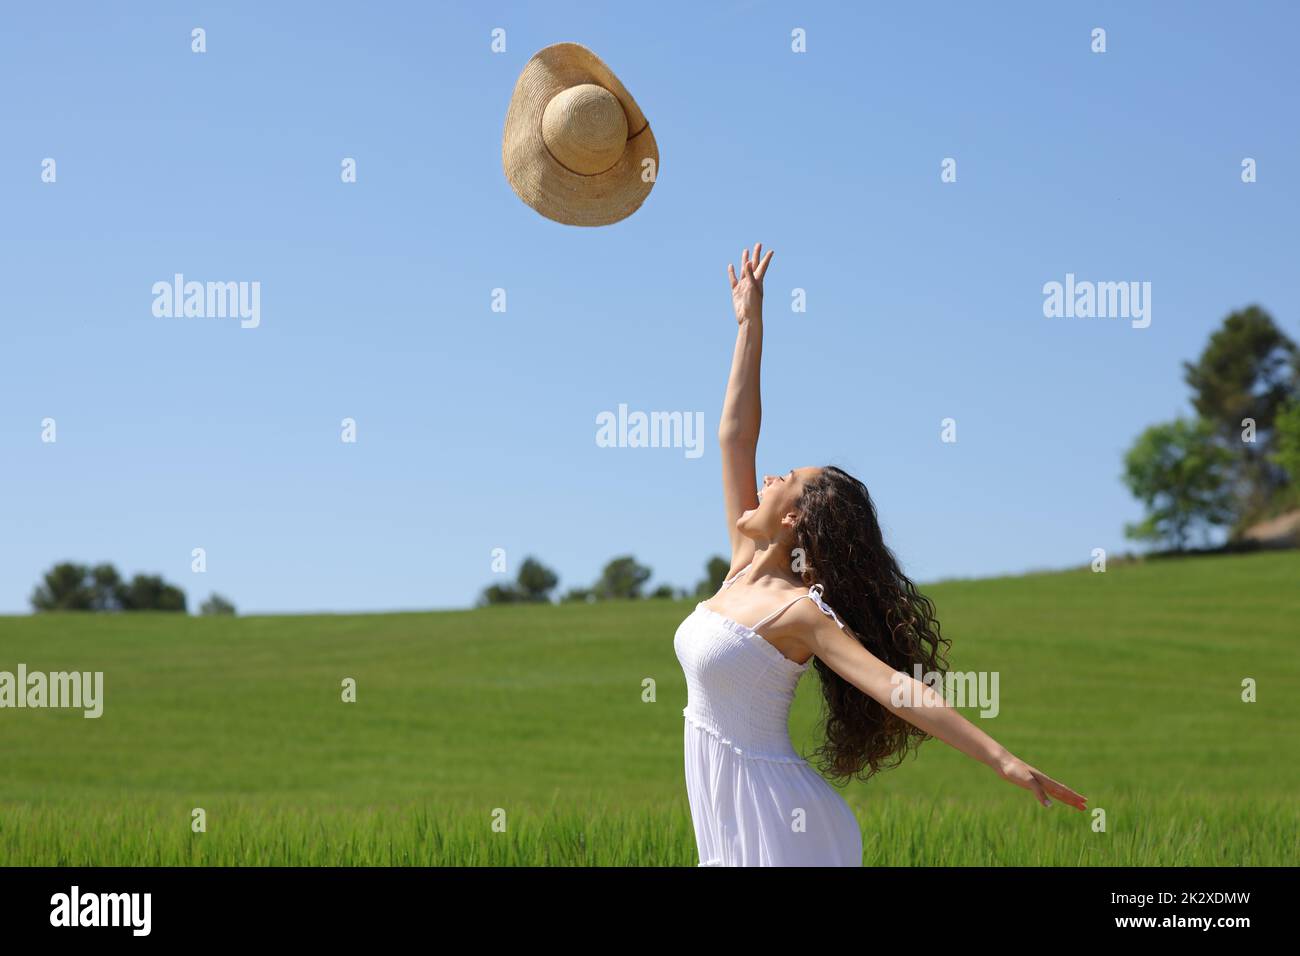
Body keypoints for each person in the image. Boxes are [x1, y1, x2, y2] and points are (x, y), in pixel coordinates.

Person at [673, 242, 1088, 866]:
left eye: (778, 477)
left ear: (791, 519)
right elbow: (736, 435)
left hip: (777, 821)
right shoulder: (740, 565)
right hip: (730, 815)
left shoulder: (796, 611)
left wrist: (1001, 759)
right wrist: (750, 326)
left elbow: (896, 688)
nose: (761, 479)